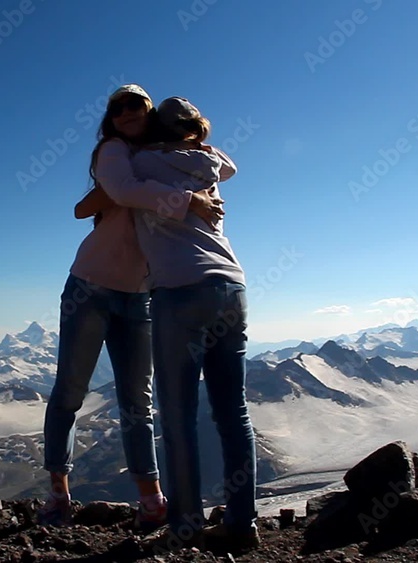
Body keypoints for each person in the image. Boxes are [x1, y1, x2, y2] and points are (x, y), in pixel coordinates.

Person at [39, 85, 223, 530]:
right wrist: (189, 200)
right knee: (70, 393)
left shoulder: (163, 158)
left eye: (134, 105)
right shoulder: (114, 150)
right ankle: (59, 494)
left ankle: (152, 500)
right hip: (90, 286)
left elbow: (222, 163)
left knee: (137, 402)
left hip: (140, 294)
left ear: (151, 112)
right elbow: (118, 191)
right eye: (115, 107)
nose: (124, 112)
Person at [84, 97, 259, 553]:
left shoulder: (142, 160)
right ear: (196, 130)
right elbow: (232, 167)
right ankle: (242, 524)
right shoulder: (211, 161)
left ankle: (186, 525)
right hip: (232, 287)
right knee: (233, 413)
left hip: (180, 290)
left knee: (178, 417)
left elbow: (114, 193)